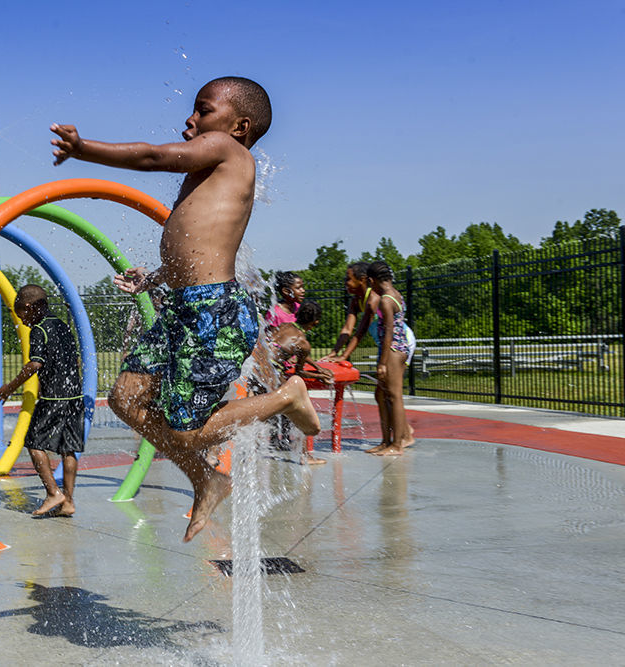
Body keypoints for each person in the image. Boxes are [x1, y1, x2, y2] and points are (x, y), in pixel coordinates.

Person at [50, 76, 320, 541]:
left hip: (213, 311)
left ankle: (286, 396)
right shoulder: (209, 172)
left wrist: (83, 149)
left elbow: (153, 156)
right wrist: (154, 278)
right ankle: (205, 477)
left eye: (203, 109)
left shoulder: (229, 152)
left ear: (239, 126)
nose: (190, 120)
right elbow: (195, 246)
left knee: (190, 428)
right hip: (181, 307)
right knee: (125, 399)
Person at [0, 285, 84, 517]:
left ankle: (53, 493)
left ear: (30, 307)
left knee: (33, 443)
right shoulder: (62, 325)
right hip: (75, 395)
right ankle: (68, 502)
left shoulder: (39, 329)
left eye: (21, 313)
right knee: (68, 449)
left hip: (54, 396)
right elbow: (75, 360)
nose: (22, 320)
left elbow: (35, 364)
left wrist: (9, 388)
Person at [321, 261, 415, 453]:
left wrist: (348, 355)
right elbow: (348, 329)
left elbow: (362, 331)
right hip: (388, 346)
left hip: (397, 344)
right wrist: (335, 352)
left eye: (349, 278)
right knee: (383, 393)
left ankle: (400, 440)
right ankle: (396, 437)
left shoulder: (378, 299)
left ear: (365, 280)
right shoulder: (359, 299)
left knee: (392, 393)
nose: (345, 283)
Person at [269, 300, 333, 465]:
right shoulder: (304, 343)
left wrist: (317, 367)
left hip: (258, 367)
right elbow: (298, 372)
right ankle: (306, 456)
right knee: (300, 409)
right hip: (271, 373)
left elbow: (287, 347)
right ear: (315, 322)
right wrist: (320, 376)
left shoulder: (284, 327)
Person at [364, 261, 416, 456]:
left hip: (393, 351)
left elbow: (388, 333)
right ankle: (386, 441)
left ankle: (397, 444)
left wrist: (382, 362)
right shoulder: (396, 294)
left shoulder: (386, 300)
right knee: (385, 396)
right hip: (397, 349)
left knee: (394, 397)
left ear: (371, 280)